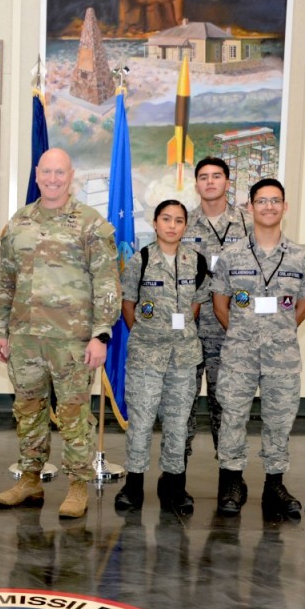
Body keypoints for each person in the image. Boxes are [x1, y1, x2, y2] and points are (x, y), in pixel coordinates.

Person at [0, 148, 120, 519]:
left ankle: (78, 486)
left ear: (71, 175)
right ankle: (30, 479)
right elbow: (5, 283)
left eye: (59, 173)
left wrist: (101, 335)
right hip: (25, 337)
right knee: (28, 410)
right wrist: (1, 330)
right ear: (36, 174)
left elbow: (107, 283)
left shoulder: (91, 224)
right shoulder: (18, 223)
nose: (52, 179)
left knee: (73, 414)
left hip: (73, 341)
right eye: (46, 172)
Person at [210, 178, 305, 517]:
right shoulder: (230, 255)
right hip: (238, 354)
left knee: (279, 420)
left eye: (275, 201)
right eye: (262, 201)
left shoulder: (300, 257)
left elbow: (302, 305)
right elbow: (220, 304)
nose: (268, 206)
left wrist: (277, 333)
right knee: (232, 417)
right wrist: (243, 332)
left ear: (285, 207)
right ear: (250, 207)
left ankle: (275, 484)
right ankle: (232, 482)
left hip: (282, 357)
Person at [112, 200, 210, 517]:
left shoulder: (195, 261)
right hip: (146, 357)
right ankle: (134, 485)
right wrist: (146, 334)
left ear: (185, 226)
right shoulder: (140, 259)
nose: (171, 225)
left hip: (183, 356)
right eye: (165, 219)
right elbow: (129, 304)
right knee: (140, 423)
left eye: (178, 220)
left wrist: (176, 331)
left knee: (178, 424)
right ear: (155, 223)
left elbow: (196, 303)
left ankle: (173, 486)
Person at [183, 156, 250, 459]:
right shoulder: (182, 222)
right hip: (190, 329)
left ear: (227, 182)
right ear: (196, 184)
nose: (210, 181)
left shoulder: (248, 222)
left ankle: (229, 474)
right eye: (204, 177)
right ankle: (175, 473)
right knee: (182, 402)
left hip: (231, 329)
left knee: (226, 404)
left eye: (217, 176)